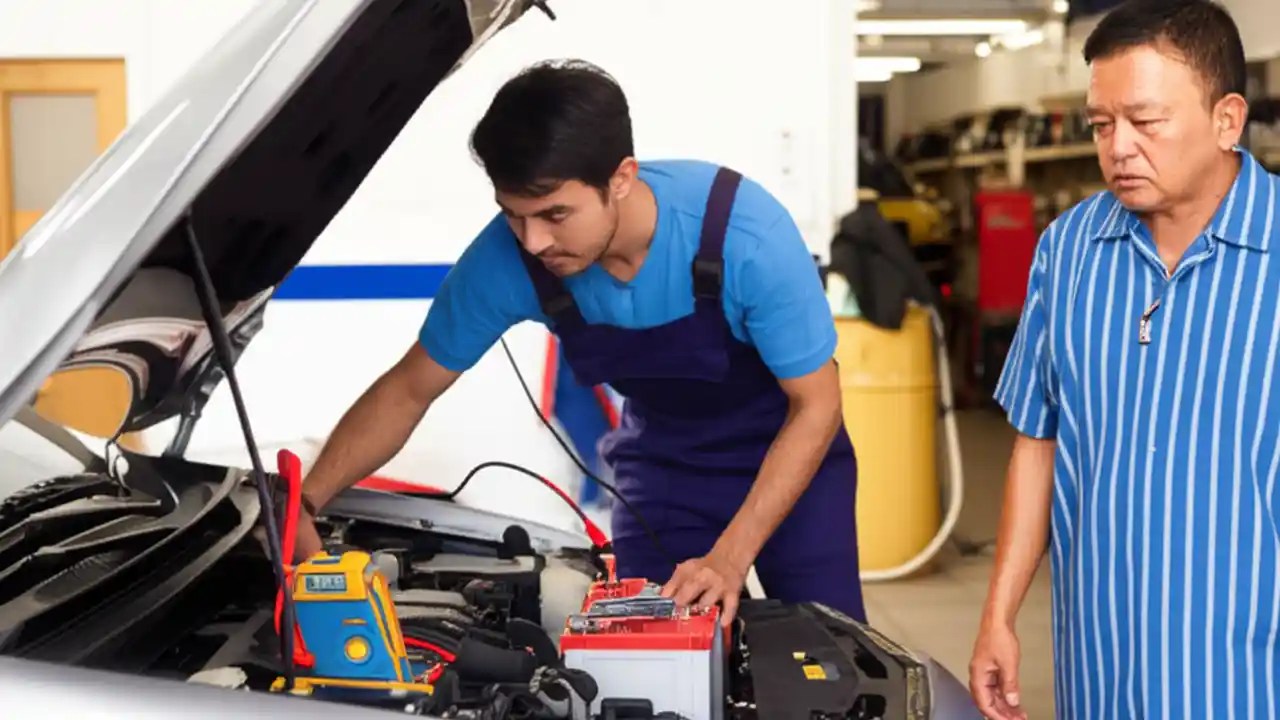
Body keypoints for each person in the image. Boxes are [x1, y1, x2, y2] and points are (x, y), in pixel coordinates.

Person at [289, 59, 865, 627]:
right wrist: (306, 503)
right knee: (652, 660)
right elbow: (409, 389)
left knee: (833, 653)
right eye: (514, 215)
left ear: (620, 178)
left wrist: (730, 557)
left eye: (555, 213)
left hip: (795, 458)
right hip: (664, 473)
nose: (535, 240)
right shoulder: (505, 259)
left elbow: (817, 404)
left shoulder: (743, 234)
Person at [968, 1, 1280, 718]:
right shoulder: (1070, 251)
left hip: (1246, 680)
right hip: (1099, 670)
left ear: (1227, 120)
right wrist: (999, 614)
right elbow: (1037, 443)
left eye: (1147, 122)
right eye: (1102, 126)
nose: (1119, 149)